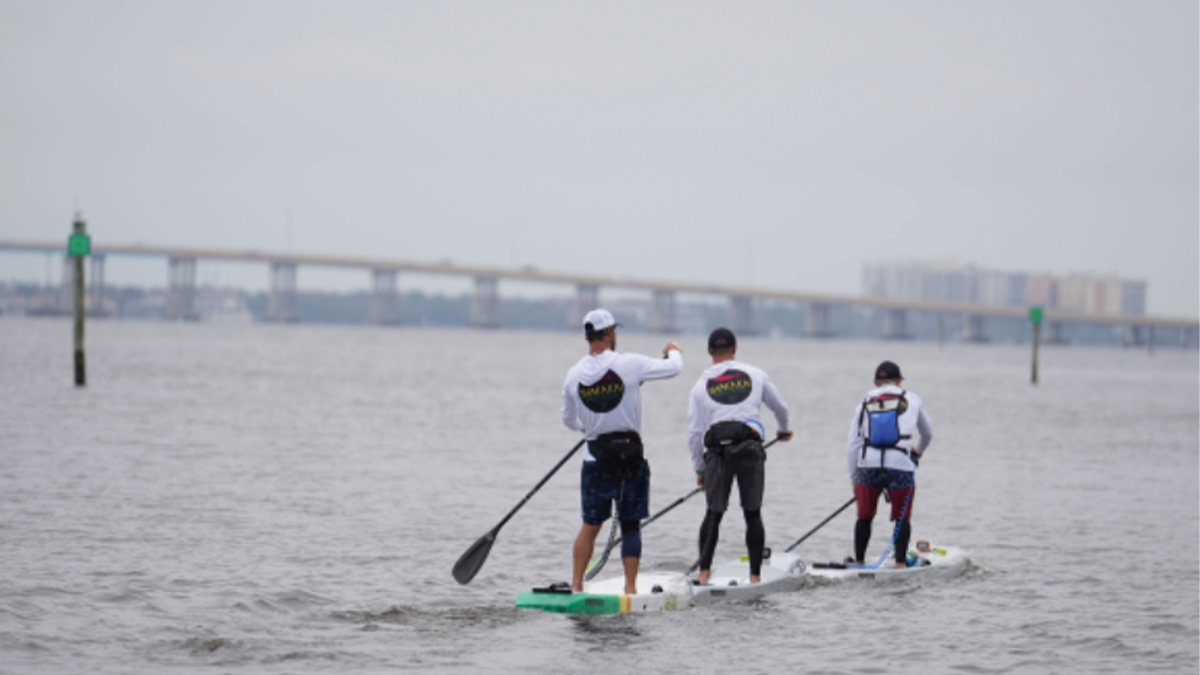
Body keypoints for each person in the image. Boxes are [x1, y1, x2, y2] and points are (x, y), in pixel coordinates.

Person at [561, 308, 682, 594]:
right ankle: (630, 590)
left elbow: (568, 420)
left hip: (595, 460)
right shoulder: (630, 364)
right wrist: (673, 351)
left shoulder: (573, 375)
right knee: (630, 526)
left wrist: (590, 428)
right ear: (608, 333)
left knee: (590, 525)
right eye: (614, 330)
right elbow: (674, 368)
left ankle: (576, 585)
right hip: (631, 461)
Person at [687, 327, 792, 585]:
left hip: (717, 454)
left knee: (713, 514)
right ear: (735, 349)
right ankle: (755, 577)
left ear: (709, 351)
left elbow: (694, 433)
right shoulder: (756, 374)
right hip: (749, 450)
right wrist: (783, 429)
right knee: (752, 513)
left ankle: (703, 575)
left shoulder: (699, 386)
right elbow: (781, 407)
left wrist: (700, 469)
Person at [846, 360, 933, 568]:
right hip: (900, 466)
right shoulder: (912, 399)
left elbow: (852, 445)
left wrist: (854, 479)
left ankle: (859, 561)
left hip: (869, 467)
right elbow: (928, 433)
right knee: (902, 518)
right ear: (899, 381)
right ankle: (900, 565)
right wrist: (917, 452)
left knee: (864, 517)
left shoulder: (865, 401)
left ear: (875, 381)